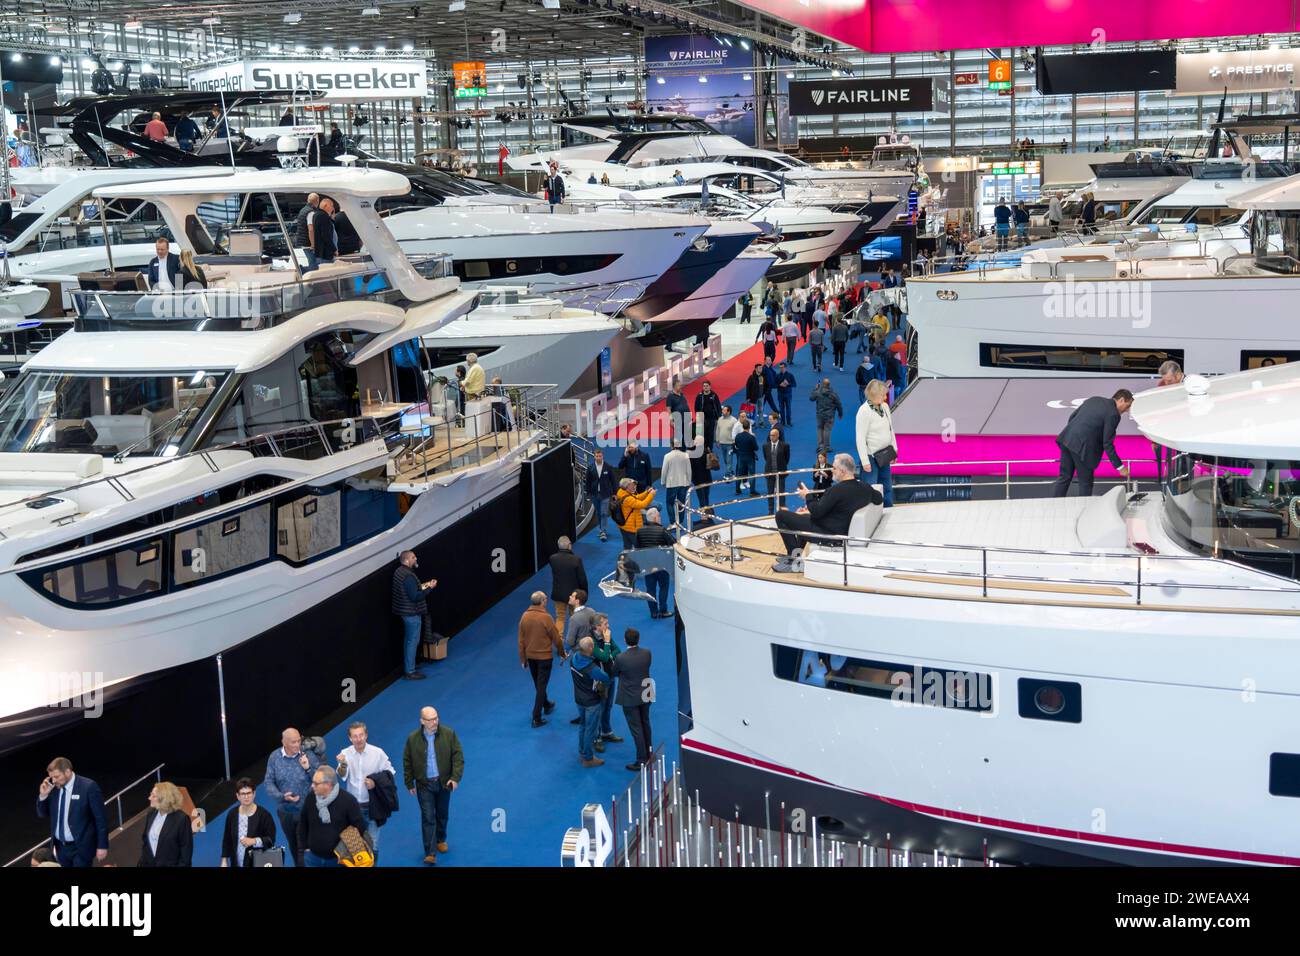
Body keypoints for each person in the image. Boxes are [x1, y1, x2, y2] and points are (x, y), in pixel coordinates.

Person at [773, 453, 882, 569]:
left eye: (834, 468)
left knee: (781, 516)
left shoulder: (836, 491)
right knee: (804, 519)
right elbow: (879, 498)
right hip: (838, 528)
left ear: (843, 471)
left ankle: (795, 563)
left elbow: (816, 512)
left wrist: (807, 496)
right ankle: (795, 556)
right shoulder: (865, 487)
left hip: (829, 534)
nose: (832, 470)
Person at [402, 706, 463, 864]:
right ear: (422, 721)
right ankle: (430, 852)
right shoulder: (412, 738)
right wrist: (409, 782)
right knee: (428, 817)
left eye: (436, 718)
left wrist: (455, 778)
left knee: (442, 814)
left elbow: (458, 757)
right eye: (430, 720)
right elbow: (407, 761)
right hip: (424, 785)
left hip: (444, 783)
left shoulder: (449, 734)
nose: (435, 722)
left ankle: (441, 839)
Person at [1052, 389, 1133, 497]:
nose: (1127, 410)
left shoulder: (1094, 399)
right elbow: (1107, 443)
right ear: (1121, 400)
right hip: (1083, 449)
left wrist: (1075, 435)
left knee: (1064, 477)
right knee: (1085, 483)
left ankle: (1055, 505)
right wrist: (1120, 467)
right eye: (1128, 406)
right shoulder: (1113, 414)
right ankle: (1085, 510)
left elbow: (1072, 417)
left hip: (1067, 439)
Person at [335, 721, 397, 858]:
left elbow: (390, 773)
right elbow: (341, 775)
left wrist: (375, 782)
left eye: (361, 735)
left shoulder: (378, 753)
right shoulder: (344, 754)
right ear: (350, 738)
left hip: (373, 806)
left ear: (366, 735)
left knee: (373, 844)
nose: (358, 739)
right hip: (353, 808)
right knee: (355, 846)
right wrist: (343, 764)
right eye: (355, 736)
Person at [36, 757, 108, 867]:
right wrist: (43, 795)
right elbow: (42, 814)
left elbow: (100, 819)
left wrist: (102, 845)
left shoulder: (88, 787)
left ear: (68, 772)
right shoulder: (53, 788)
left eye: (56, 776)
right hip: (61, 849)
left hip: (81, 848)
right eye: (52, 777)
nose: (54, 780)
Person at [265, 728, 319, 866]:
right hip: (286, 812)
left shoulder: (308, 755)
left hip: (307, 811)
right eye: (293, 742)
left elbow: (321, 779)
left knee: (306, 846)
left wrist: (308, 768)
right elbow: (269, 782)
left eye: (299, 741)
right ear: (284, 742)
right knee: (294, 845)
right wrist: (281, 796)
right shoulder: (274, 757)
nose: (297, 745)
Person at [298, 766, 365, 867]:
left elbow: (359, 828)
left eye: (316, 783)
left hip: (338, 860)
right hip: (313, 858)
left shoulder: (348, 801)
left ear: (328, 785)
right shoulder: (311, 798)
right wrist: (304, 848)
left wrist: (344, 851)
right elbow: (303, 824)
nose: (312, 786)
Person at [519, 591, 565, 727]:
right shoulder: (546, 618)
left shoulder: (524, 616)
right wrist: (562, 652)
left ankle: (546, 703)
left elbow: (521, 640)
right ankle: (536, 717)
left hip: (531, 657)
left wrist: (523, 659)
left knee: (538, 684)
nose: (547, 601)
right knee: (541, 686)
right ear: (542, 602)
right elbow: (556, 637)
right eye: (545, 599)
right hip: (545, 658)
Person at [611, 628, 653, 771]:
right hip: (646, 693)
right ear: (638, 639)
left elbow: (614, 672)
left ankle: (642, 759)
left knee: (636, 728)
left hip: (630, 697)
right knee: (645, 723)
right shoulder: (647, 653)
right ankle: (650, 753)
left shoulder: (621, 658)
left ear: (625, 640)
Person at [392, 550, 436, 680]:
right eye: (413, 557)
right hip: (411, 613)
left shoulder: (399, 572)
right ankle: (410, 671)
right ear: (406, 560)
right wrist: (430, 588)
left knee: (409, 640)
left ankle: (410, 666)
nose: (415, 558)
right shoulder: (409, 576)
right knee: (412, 641)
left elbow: (409, 591)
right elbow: (415, 596)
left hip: (404, 612)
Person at [570, 636, 612, 767]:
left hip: (579, 699)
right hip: (592, 702)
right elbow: (606, 678)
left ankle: (582, 752)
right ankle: (588, 758)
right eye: (593, 645)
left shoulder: (573, 659)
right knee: (591, 730)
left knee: (583, 725)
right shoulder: (591, 668)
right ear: (589, 649)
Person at [857, 379, 898, 507]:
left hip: (885, 455)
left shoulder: (885, 407)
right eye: (883, 394)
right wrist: (865, 461)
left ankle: (888, 510)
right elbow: (860, 438)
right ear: (874, 395)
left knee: (887, 488)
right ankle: (871, 518)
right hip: (871, 457)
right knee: (871, 490)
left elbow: (891, 429)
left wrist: (894, 451)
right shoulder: (863, 411)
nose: (885, 397)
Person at [220, 778, 277, 868]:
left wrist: (254, 841)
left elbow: (271, 840)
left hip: (258, 863)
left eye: (249, 793)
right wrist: (224, 860)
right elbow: (227, 839)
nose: (246, 797)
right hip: (236, 862)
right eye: (243, 794)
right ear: (237, 796)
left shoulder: (264, 815)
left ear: (254, 794)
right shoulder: (232, 814)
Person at [588, 615, 624, 748]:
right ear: (597, 626)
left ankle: (606, 732)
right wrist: (608, 644)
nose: (608, 626)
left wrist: (608, 653)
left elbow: (618, 650)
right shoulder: (590, 640)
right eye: (605, 624)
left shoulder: (605, 635)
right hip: (600, 680)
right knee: (599, 708)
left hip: (611, 676)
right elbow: (602, 658)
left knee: (608, 706)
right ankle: (596, 738)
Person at [138, 782, 193, 867]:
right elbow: (146, 842)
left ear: (164, 798)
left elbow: (186, 853)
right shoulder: (151, 814)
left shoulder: (181, 819)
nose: (149, 798)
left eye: (153, 796)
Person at [635, 508, 676, 618]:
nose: (660, 518)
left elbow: (637, 549)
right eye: (659, 516)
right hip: (662, 566)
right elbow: (674, 544)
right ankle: (663, 611)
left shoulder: (639, 531)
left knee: (650, 590)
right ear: (656, 518)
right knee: (664, 587)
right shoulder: (662, 531)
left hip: (648, 567)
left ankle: (653, 612)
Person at [548, 536, 587, 636]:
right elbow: (582, 579)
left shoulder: (552, 559)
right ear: (569, 546)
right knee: (575, 617)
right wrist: (584, 593)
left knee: (560, 618)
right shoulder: (576, 560)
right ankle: (577, 639)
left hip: (559, 594)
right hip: (574, 595)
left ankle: (559, 643)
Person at [1153, 360, 1183, 483]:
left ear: (1178, 375)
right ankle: (1168, 483)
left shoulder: (1192, 384)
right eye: (1164, 379)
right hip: (1167, 432)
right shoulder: (1162, 385)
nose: (1166, 383)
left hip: (1186, 433)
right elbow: (1158, 411)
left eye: (1169, 380)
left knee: (1184, 465)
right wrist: (1154, 438)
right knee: (1169, 463)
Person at [586, 448, 616, 542]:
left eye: (600, 456)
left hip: (605, 494)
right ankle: (601, 528)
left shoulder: (608, 467)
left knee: (604, 513)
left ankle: (603, 531)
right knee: (599, 513)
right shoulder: (590, 468)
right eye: (597, 456)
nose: (598, 458)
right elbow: (588, 482)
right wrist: (588, 493)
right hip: (595, 494)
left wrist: (615, 493)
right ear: (594, 457)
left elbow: (613, 481)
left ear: (602, 456)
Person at [761, 427, 791, 514]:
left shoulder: (785, 445)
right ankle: (770, 511)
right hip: (769, 473)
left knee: (781, 493)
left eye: (773, 435)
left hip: (781, 473)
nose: (771, 437)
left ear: (778, 436)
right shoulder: (765, 446)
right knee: (770, 493)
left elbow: (787, 459)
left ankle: (782, 510)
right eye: (770, 435)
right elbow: (766, 458)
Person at [810, 378, 843, 455]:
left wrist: (815, 389)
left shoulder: (818, 392)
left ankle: (820, 446)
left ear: (822, 384)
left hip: (820, 415)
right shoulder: (833, 394)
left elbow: (811, 398)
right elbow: (839, 404)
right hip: (830, 415)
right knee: (827, 430)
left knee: (820, 429)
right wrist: (840, 413)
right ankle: (827, 447)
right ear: (829, 385)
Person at [661, 444, 691, 528]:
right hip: (683, 483)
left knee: (669, 503)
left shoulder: (667, 456)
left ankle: (673, 522)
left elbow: (664, 470)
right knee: (681, 504)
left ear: (671, 446)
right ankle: (680, 523)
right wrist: (688, 482)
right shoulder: (685, 455)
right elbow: (689, 470)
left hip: (671, 484)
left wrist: (663, 482)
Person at [294, 193, 321, 270]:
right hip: (308, 243)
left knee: (312, 262)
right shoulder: (311, 212)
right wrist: (313, 244)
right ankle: (302, 271)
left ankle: (302, 271)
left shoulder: (303, 210)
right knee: (314, 264)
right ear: (317, 201)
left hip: (303, 241)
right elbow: (311, 229)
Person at [689, 433, 715, 511]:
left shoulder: (691, 453)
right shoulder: (706, 451)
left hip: (698, 480)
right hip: (707, 478)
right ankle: (707, 512)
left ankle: (705, 515)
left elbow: (690, 468)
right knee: (706, 496)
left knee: (701, 498)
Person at [693, 380, 722, 450]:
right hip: (702, 419)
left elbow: (718, 406)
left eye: (707, 386)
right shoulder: (699, 396)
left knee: (711, 434)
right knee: (703, 434)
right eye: (704, 386)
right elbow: (696, 407)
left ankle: (710, 449)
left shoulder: (714, 395)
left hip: (712, 418)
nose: (705, 387)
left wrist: (718, 417)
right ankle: (704, 449)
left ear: (710, 387)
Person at [311, 196, 338, 267]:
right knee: (328, 274)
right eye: (331, 206)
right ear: (326, 206)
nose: (333, 208)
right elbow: (326, 236)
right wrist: (334, 249)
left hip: (320, 252)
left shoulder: (316, 215)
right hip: (325, 253)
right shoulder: (324, 217)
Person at [733, 419, 758, 494]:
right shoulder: (751, 437)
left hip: (741, 456)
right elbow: (756, 448)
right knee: (751, 474)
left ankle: (737, 490)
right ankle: (752, 491)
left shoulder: (738, 436)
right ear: (749, 427)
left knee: (739, 474)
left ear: (743, 426)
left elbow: (736, 445)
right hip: (750, 457)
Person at [665, 376, 691, 449]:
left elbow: (686, 405)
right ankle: (677, 450)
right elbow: (669, 410)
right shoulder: (670, 396)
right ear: (674, 387)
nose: (681, 387)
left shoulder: (682, 395)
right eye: (679, 385)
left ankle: (685, 450)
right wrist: (671, 421)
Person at [715, 405, 738, 478]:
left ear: (729, 412)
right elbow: (717, 430)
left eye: (724, 410)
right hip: (722, 443)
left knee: (729, 459)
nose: (722, 411)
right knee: (725, 460)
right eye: (722, 410)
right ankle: (731, 472)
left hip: (730, 444)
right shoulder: (720, 419)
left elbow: (736, 431)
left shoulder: (734, 420)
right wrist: (717, 440)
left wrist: (735, 441)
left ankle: (727, 474)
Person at [774, 361, 797, 427]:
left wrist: (788, 384)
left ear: (786, 368)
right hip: (780, 394)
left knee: (788, 408)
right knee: (781, 409)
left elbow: (794, 384)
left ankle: (789, 422)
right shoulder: (777, 375)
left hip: (788, 394)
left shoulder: (790, 375)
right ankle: (782, 422)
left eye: (783, 367)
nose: (781, 369)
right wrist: (779, 385)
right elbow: (774, 385)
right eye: (780, 367)